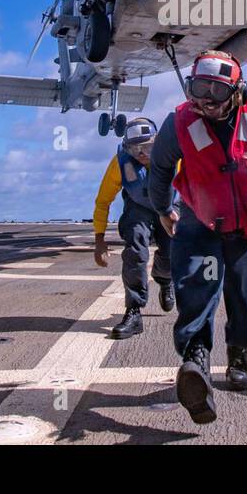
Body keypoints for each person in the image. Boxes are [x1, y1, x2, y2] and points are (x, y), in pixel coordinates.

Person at [147, 49, 247, 425]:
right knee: (196, 293)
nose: (205, 100)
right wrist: (163, 208)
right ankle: (196, 363)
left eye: (216, 91)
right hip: (199, 225)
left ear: (238, 92)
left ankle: (239, 353)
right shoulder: (179, 123)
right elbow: (160, 168)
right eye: (198, 88)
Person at [91, 117, 174, 339]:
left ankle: (165, 280)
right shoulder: (120, 163)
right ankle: (134, 311)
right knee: (135, 248)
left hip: (170, 206)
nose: (142, 153)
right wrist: (99, 239)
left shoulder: (175, 156)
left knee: (171, 252)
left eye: (147, 147)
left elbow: (199, 183)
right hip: (139, 207)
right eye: (135, 148)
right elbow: (103, 201)